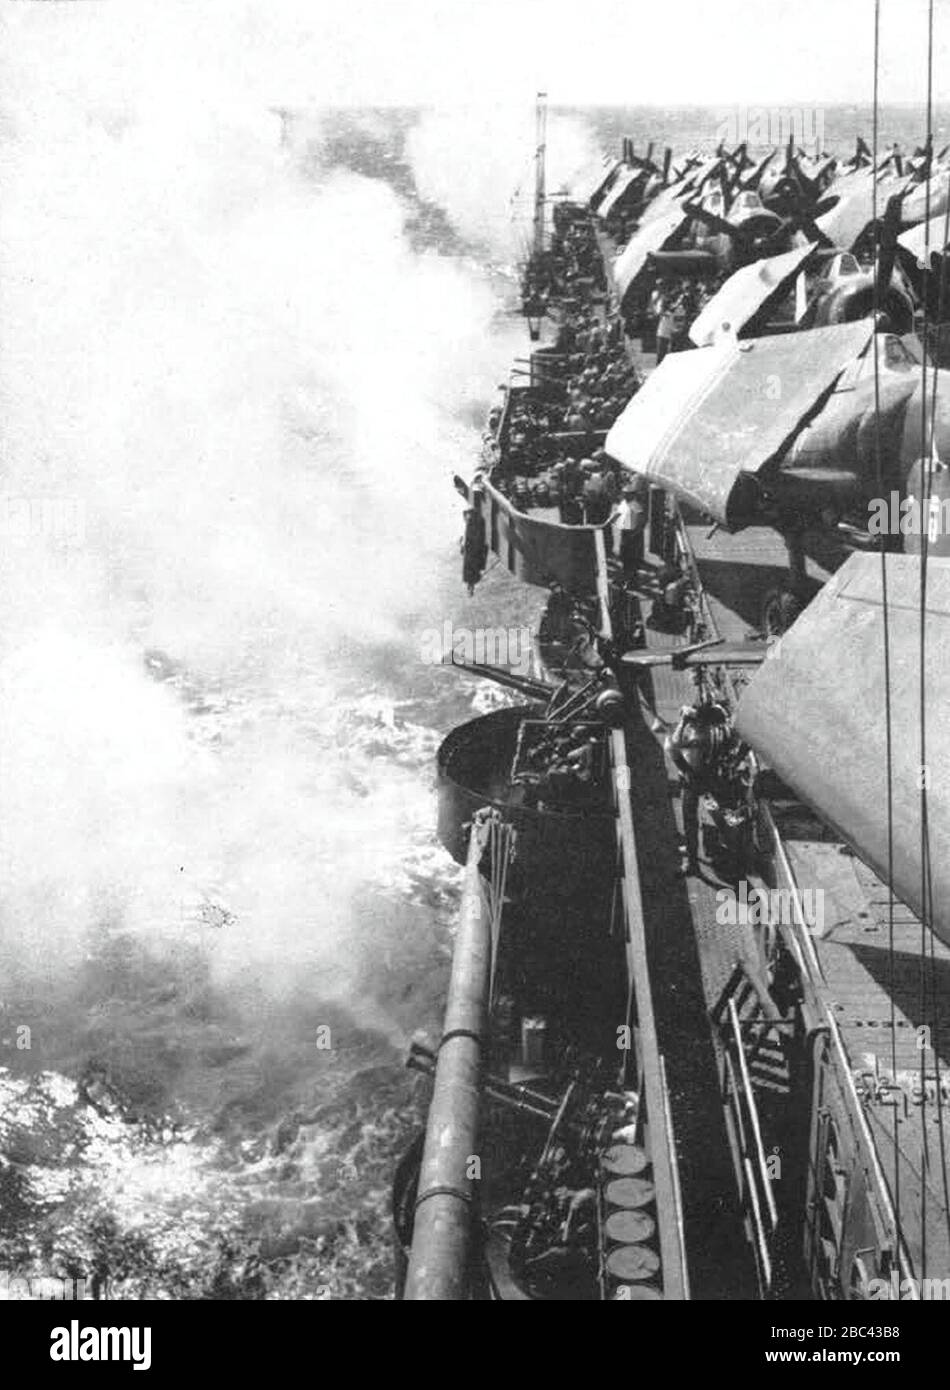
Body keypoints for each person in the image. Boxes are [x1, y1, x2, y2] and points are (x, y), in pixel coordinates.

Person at [668, 698, 744, 874]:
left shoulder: (697, 734)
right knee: (717, 817)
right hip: (712, 779)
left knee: (691, 821)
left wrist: (684, 721)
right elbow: (733, 741)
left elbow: (675, 743)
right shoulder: (717, 731)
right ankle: (718, 855)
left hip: (693, 782)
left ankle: (692, 863)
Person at [656, 299, 674, 364]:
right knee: (660, 352)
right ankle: (658, 365)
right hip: (661, 334)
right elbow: (660, 312)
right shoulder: (665, 313)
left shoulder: (670, 314)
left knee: (665, 352)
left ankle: (661, 364)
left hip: (667, 335)